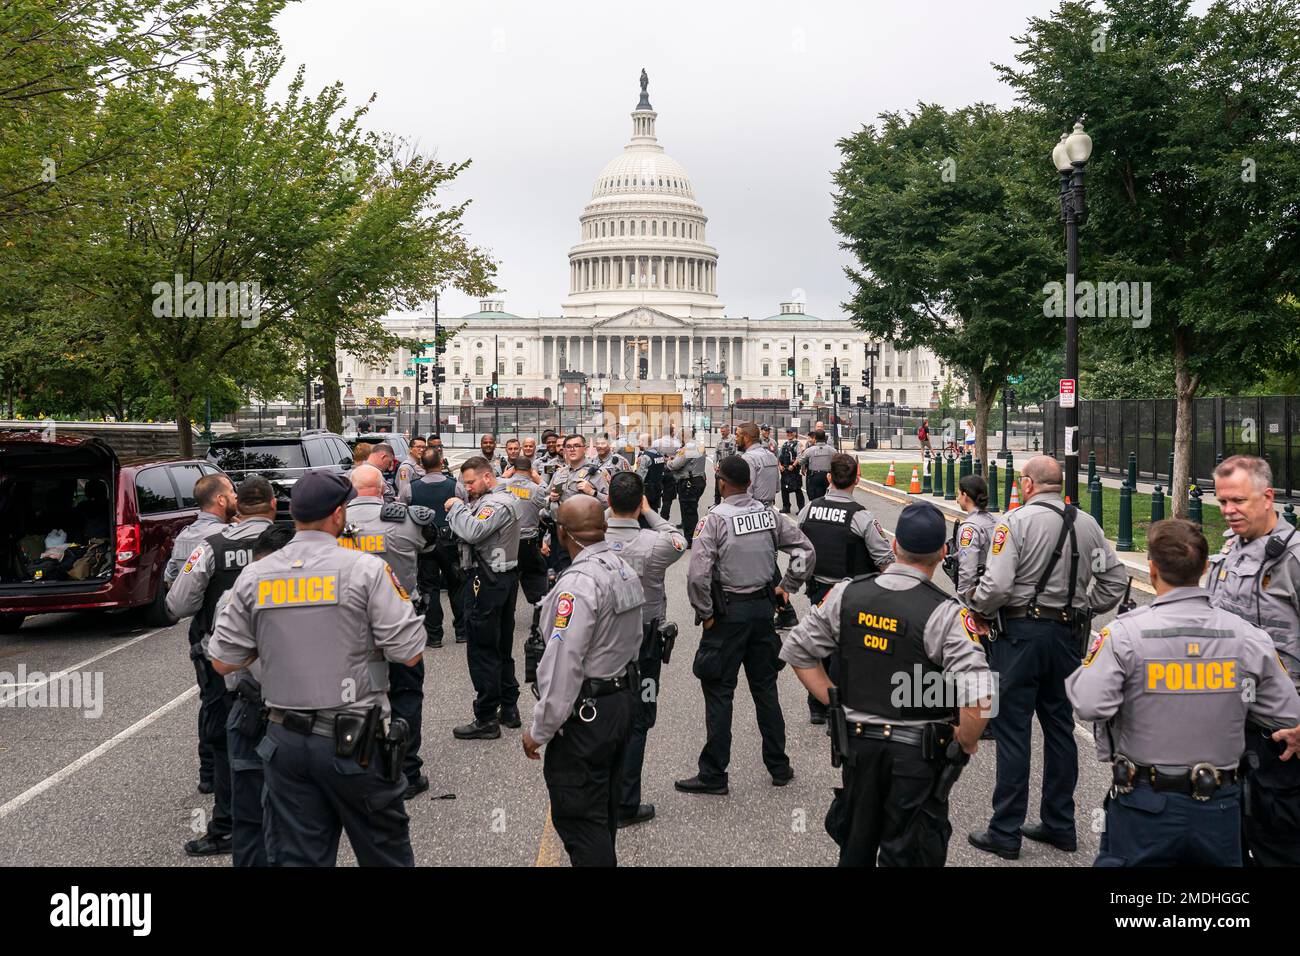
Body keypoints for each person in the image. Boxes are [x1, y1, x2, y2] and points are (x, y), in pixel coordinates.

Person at [207, 470, 426, 867]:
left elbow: (223, 659)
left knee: (298, 857)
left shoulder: (255, 575)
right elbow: (409, 651)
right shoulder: (366, 570)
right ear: (339, 515)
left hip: (284, 741)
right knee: (383, 852)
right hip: (356, 740)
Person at [1068, 518, 1300, 866]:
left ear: (1152, 569)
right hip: (1220, 806)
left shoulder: (1124, 636)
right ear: (1206, 568)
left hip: (1144, 805)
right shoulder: (1250, 639)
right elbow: (1287, 714)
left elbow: (1088, 704)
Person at [782, 502, 993, 866]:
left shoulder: (848, 594)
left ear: (894, 547)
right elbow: (982, 693)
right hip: (918, 754)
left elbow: (798, 650)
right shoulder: (945, 613)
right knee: (908, 854)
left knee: (855, 847)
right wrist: (966, 740)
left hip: (858, 746)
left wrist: (835, 701)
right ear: (943, 553)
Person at [967, 455, 1128, 859]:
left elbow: (999, 585)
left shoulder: (1015, 522)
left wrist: (978, 609)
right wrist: (1085, 606)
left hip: (1020, 635)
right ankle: (1060, 823)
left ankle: (1005, 830)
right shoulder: (1088, 524)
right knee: (1060, 727)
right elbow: (1116, 581)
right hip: (1067, 637)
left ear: (1026, 484)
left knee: (1013, 730)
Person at [677, 455, 815, 794]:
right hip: (762, 612)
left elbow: (697, 575)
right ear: (750, 483)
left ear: (721, 482)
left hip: (728, 615)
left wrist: (706, 612)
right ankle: (779, 766)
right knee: (766, 690)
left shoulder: (714, 520)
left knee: (720, 692)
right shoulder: (769, 515)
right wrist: (788, 586)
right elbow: (805, 551)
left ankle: (714, 775)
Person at [522, 496, 645, 866]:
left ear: (562, 533)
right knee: (602, 810)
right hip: (620, 701)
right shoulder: (622, 569)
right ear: (604, 528)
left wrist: (539, 729)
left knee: (579, 819)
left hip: (586, 716)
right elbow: (636, 637)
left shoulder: (576, 584)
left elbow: (563, 663)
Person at [166, 476, 277, 857]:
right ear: (274, 505)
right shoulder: (292, 542)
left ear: (237, 507)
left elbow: (177, 605)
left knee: (227, 742)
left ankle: (229, 825)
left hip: (224, 662)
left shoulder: (209, 547)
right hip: (286, 660)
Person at [1207, 454, 1300, 865]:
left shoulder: (1293, 558)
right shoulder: (1232, 552)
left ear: (1268, 497)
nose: (1228, 510)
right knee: (1230, 840)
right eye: (1222, 501)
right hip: (1231, 728)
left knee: (1278, 847)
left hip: (1282, 737)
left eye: (1238, 501)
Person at [338, 465, 438, 799]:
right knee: (406, 693)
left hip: (348, 623)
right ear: (383, 489)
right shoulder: (406, 519)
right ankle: (407, 770)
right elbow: (426, 547)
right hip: (400, 618)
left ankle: (359, 768)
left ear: (351, 491)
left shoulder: (332, 522)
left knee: (353, 696)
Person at [207, 521, 296, 867]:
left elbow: (222, 658)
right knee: (293, 818)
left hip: (252, 709)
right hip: (290, 713)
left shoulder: (234, 596)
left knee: (251, 820)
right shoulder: (320, 591)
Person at [604, 472, 688, 827]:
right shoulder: (656, 543)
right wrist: (649, 511)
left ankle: (601, 794)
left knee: (603, 715)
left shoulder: (591, 539)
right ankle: (626, 802)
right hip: (646, 642)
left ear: (608, 502)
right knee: (640, 717)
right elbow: (678, 538)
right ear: (639, 502)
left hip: (604, 642)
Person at [797, 453, 894, 724]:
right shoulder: (862, 517)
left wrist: (789, 585)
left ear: (829, 478)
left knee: (821, 644)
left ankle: (817, 705)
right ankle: (838, 709)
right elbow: (884, 559)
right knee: (847, 651)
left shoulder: (808, 510)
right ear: (857, 479)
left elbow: (800, 552)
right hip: (852, 593)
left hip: (818, 591)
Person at [164, 472, 237, 795]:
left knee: (210, 700)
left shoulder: (184, 538)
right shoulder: (228, 537)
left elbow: (174, 585)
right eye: (232, 492)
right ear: (220, 500)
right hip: (232, 632)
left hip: (203, 631)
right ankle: (229, 768)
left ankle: (208, 770)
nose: (236, 497)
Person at [446, 456, 523, 739]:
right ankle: (509, 707)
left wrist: (455, 509)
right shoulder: (500, 499)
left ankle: (486, 717)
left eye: (470, 482)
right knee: (500, 645)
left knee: (482, 649)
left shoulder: (496, 503)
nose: (466, 488)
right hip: (500, 578)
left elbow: (473, 531)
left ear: (487, 477)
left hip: (487, 581)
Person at [409, 448, 467, 646]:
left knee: (429, 588)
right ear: (442, 463)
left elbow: (403, 511)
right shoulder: (455, 486)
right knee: (457, 585)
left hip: (424, 542)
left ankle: (434, 635)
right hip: (450, 542)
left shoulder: (411, 488)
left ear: (422, 465)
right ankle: (462, 631)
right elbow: (465, 509)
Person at [501, 455, 551, 655]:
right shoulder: (537, 489)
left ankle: (506, 615)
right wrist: (539, 479)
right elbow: (549, 502)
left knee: (507, 576)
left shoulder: (502, 485)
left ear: (512, 469)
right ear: (531, 471)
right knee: (536, 577)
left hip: (506, 542)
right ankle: (540, 616)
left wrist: (504, 475)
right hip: (528, 542)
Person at [545, 434, 610, 573]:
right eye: (568, 447)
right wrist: (551, 498)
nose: (572, 449)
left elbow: (610, 503)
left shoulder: (597, 473)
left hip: (587, 536)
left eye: (576, 446)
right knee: (564, 572)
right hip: (562, 533)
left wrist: (592, 492)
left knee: (588, 573)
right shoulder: (559, 473)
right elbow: (545, 498)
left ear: (585, 449)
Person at [951, 474, 996, 601]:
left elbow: (968, 569)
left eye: (958, 494)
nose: (957, 499)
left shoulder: (969, 528)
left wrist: (963, 599)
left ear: (965, 496)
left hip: (980, 593)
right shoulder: (996, 521)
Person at [666, 435, 706, 546]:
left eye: (679, 438)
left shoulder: (688, 448)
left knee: (688, 511)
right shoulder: (698, 444)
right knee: (692, 509)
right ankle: (690, 532)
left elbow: (675, 464)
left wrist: (668, 461)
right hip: (698, 480)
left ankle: (690, 539)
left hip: (689, 483)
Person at [736, 422, 779, 508]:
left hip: (752, 509)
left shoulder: (748, 458)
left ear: (746, 437)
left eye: (737, 435)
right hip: (769, 509)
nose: (735, 439)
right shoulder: (771, 456)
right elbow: (777, 487)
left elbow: (746, 491)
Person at [652, 428, 682, 520]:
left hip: (658, 471)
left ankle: (654, 517)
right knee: (668, 497)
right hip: (671, 471)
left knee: (655, 494)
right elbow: (679, 458)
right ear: (672, 432)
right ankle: (664, 517)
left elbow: (652, 456)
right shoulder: (677, 444)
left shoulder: (656, 443)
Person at [797, 430, 835, 502]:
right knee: (827, 499)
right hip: (827, 477)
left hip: (813, 477)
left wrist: (802, 452)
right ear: (825, 438)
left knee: (814, 500)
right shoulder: (832, 450)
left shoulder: (809, 450)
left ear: (815, 438)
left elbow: (800, 462)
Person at [635, 433, 667, 514]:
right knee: (654, 512)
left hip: (647, 491)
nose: (638, 444)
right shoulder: (659, 455)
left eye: (640, 442)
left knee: (645, 515)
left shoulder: (645, 457)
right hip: (658, 488)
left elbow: (640, 477)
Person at [778, 427, 804, 514]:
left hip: (794, 471)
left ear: (795, 433)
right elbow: (778, 457)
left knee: (797, 489)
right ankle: (786, 507)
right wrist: (780, 466)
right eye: (788, 432)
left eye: (791, 432)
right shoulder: (784, 444)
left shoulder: (798, 444)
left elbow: (799, 456)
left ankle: (801, 508)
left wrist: (793, 465)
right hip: (785, 471)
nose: (789, 434)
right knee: (784, 489)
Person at [395, 436, 427, 504]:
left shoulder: (422, 465)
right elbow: (403, 493)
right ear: (410, 449)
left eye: (424, 447)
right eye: (418, 447)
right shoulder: (405, 468)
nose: (421, 450)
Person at [714, 425, 739, 507]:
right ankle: (716, 503)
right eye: (721, 431)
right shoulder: (719, 441)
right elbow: (716, 453)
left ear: (728, 430)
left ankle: (729, 503)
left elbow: (736, 453)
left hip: (730, 466)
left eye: (723, 431)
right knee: (718, 483)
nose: (722, 433)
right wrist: (715, 464)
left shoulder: (734, 440)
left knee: (729, 484)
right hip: (721, 465)